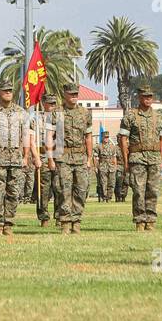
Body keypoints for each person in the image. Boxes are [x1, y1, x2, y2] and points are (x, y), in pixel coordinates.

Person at [0, 78, 33, 237]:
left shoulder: (21, 112)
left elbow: (26, 136)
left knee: (13, 194)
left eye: (10, 90)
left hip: (16, 159)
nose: (8, 93)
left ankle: (8, 224)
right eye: (5, 90)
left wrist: (26, 156)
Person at [119, 85, 162, 231]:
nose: (148, 99)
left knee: (153, 190)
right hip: (137, 158)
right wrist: (126, 161)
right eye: (145, 97)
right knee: (138, 190)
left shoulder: (159, 116)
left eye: (150, 97)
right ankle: (139, 220)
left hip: (155, 158)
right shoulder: (130, 116)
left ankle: (150, 220)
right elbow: (123, 139)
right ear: (139, 97)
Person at [53, 83, 94, 234]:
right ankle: (65, 221)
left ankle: (76, 220)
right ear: (64, 94)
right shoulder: (57, 112)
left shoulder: (85, 113)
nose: (74, 97)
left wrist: (90, 158)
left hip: (81, 157)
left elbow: (88, 137)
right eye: (71, 94)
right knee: (64, 190)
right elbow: (50, 137)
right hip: (63, 157)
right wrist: (51, 158)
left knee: (82, 189)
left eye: (76, 94)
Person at [34, 94, 61, 227]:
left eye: (54, 103)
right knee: (43, 189)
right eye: (49, 103)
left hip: (57, 156)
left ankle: (59, 216)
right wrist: (36, 157)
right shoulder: (36, 120)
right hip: (43, 156)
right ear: (43, 103)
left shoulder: (59, 118)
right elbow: (32, 140)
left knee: (59, 187)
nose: (52, 106)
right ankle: (44, 217)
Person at [96, 134, 118, 200]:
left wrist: (115, 166)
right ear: (102, 138)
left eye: (107, 137)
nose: (106, 139)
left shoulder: (112, 146)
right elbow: (95, 157)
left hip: (111, 166)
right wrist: (96, 167)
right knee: (103, 182)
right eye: (105, 137)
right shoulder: (98, 146)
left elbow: (114, 157)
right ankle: (104, 197)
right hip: (102, 166)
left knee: (112, 182)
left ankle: (109, 197)